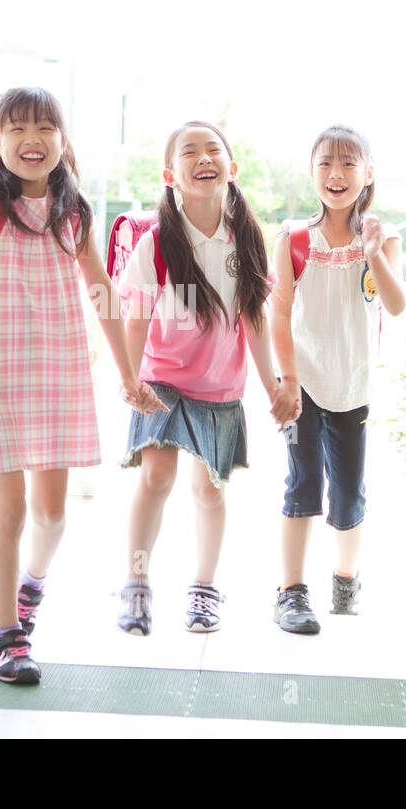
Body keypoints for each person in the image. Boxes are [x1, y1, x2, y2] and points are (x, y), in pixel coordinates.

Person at [0, 33, 165, 684]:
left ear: (61, 141)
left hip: (57, 374)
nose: (31, 136)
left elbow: (101, 288)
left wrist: (128, 372)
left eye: (45, 125)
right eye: (16, 127)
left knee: (51, 511)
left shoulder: (73, 212)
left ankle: (31, 588)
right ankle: (6, 637)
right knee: (10, 510)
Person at [115, 120, 296, 635]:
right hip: (162, 381)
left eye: (213, 149)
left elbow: (255, 322)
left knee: (210, 491)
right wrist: (131, 378)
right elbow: (136, 318)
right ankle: (136, 585)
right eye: (189, 152)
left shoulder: (248, 240)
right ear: (170, 175)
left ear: (231, 169)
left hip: (220, 386)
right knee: (156, 478)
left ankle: (203, 590)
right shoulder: (155, 243)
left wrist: (275, 385)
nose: (203, 158)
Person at [268, 124, 406, 633]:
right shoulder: (295, 239)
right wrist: (285, 379)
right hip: (303, 381)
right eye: (325, 162)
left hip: (353, 386)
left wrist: (372, 252)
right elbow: (277, 315)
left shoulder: (384, 237)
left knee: (348, 493)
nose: (336, 173)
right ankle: (290, 593)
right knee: (303, 483)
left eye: (349, 163)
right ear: (311, 173)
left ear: (368, 174)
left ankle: (345, 580)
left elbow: (394, 303)